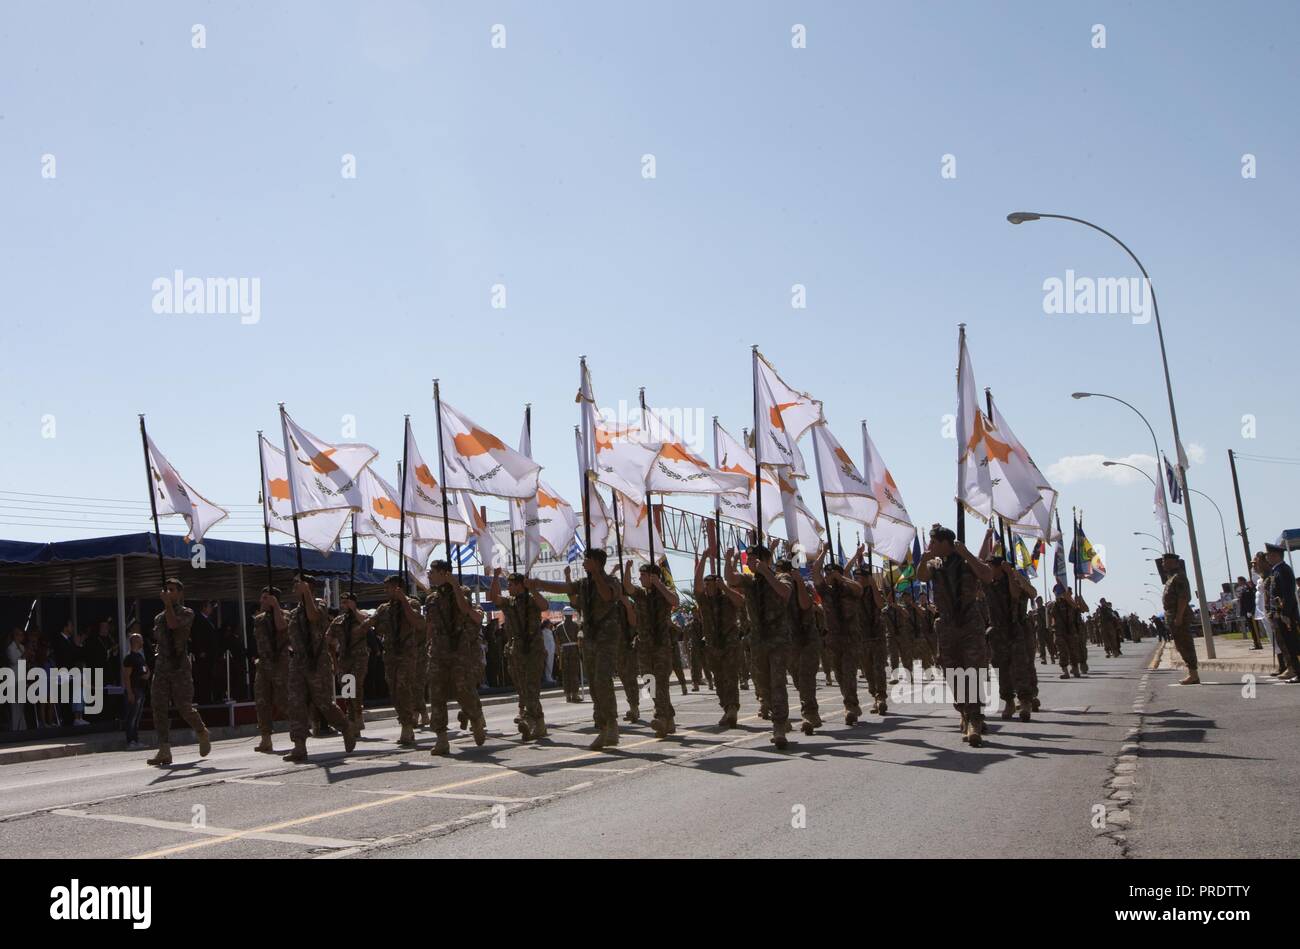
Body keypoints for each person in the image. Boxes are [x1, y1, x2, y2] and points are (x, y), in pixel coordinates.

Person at [533, 549, 623, 750]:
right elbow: (564, 588)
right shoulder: (583, 584)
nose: (583, 564)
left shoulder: (611, 581)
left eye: (587, 561)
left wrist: (597, 573)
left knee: (602, 680)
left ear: (597, 563)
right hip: (589, 639)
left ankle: (611, 725)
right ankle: (605, 726)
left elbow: (607, 595)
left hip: (607, 638)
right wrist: (539, 584)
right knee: (593, 682)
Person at [916, 524, 994, 748]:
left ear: (944, 542)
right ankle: (964, 711)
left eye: (934, 542)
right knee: (953, 673)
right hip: (947, 626)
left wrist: (966, 553)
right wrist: (924, 558)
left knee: (973, 670)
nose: (931, 546)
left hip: (970, 624)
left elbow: (987, 576)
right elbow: (921, 575)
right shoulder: (936, 563)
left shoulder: (967, 561)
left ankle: (974, 720)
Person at [725, 542, 793, 750]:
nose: (751, 563)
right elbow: (731, 579)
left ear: (765, 560)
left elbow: (784, 593)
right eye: (749, 559)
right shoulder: (750, 581)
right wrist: (730, 560)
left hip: (777, 639)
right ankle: (778, 717)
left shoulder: (782, 577)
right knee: (763, 686)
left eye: (754, 559)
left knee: (777, 682)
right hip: (757, 641)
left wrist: (767, 572)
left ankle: (779, 726)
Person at [283, 575, 357, 762]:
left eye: (298, 584)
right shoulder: (293, 613)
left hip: (317, 662)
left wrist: (307, 593)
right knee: (296, 704)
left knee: (323, 703)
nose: (295, 587)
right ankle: (299, 746)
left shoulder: (320, 604)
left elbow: (313, 616)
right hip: (298, 663)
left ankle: (345, 726)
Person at [146, 578, 212, 766]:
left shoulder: (187, 613)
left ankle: (201, 731)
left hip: (179, 667)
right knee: (158, 706)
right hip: (162, 667)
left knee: (184, 707)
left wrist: (168, 605)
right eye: (166, 589)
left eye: (172, 589)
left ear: (180, 593)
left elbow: (174, 625)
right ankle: (164, 749)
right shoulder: (158, 618)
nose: (169, 592)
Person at [425, 560, 488, 755]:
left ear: (444, 573)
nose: (429, 575)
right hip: (437, 652)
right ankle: (441, 738)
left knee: (464, 690)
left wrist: (454, 586)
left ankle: (476, 718)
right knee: (436, 694)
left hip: (459, 652)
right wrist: (426, 646)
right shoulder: (432, 600)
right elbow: (430, 626)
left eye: (433, 572)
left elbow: (465, 609)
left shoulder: (462, 593)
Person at [488, 568, 549, 741]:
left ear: (521, 585)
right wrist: (494, 577)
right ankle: (540, 723)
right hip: (516, 649)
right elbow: (493, 598)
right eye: (508, 584)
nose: (509, 587)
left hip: (533, 648)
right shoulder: (509, 602)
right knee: (523, 688)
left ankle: (528, 721)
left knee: (531, 686)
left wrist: (533, 589)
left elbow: (545, 606)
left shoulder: (531, 600)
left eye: (513, 584)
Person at [626, 561, 681, 739]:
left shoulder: (663, 593)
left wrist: (658, 584)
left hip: (661, 646)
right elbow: (627, 587)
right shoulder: (641, 595)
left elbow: (675, 601)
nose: (640, 578)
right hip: (644, 646)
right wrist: (626, 569)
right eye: (640, 575)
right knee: (650, 683)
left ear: (653, 576)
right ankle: (669, 717)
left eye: (643, 575)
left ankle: (662, 719)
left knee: (661, 683)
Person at [694, 535, 744, 727]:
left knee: (731, 676)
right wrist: (705, 557)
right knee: (719, 679)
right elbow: (697, 584)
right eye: (706, 585)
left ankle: (732, 709)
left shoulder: (726, 598)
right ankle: (726, 708)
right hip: (713, 645)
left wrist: (724, 586)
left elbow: (740, 602)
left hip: (730, 643)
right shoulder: (704, 601)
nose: (707, 587)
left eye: (711, 584)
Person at [811, 546, 863, 725]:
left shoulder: (849, 590)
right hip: (833, 639)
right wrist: (824, 552)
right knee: (840, 674)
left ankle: (850, 706)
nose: (828, 577)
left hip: (850, 637)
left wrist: (840, 577)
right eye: (828, 575)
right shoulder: (825, 592)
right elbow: (815, 572)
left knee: (848, 672)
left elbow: (859, 589)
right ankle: (852, 702)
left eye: (830, 574)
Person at [374, 575, 424, 747]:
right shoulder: (384, 608)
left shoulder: (412, 604)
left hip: (406, 654)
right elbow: (371, 622)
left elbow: (417, 623)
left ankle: (407, 726)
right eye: (386, 587)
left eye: (389, 587)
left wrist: (403, 600)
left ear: (399, 587)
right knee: (394, 692)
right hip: (391, 656)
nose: (386, 591)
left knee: (404, 688)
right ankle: (405, 721)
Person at [778, 557, 821, 736]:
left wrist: (799, 582)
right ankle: (809, 709)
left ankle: (810, 714)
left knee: (806, 678)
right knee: (798, 679)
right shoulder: (778, 588)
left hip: (807, 638)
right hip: (790, 640)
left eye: (782, 571)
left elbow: (805, 604)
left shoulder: (802, 587)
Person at [252, 586, 292, 753]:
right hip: (263, 665)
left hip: (280, 665)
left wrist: (276, 607)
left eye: (265, 598)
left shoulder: (286, 615)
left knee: (283, 700)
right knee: (262, 702)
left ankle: (299, 730)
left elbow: (282, 628)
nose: (262, 601)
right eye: (262, 598)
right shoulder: (259, 619)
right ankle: (266, 739)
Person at [331, 592, 372, 735]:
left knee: (356, 685)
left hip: (359, 658)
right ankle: (353, 720)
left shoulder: (361, 616)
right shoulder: (338, 621)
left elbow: (367, 624)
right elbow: (329, 639)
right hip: (344, 659)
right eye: (342, 603)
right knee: (347, 690)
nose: (344, 605)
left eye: (347, 602)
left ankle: (357, 715)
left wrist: (354, 610)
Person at [1161, 553, 1199, 686]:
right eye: (1163, 562)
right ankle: (1192, 674)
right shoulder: (1171, 578)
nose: (1163, 564)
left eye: (1166, 562)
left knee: (1185, 644)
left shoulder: (1179, 577)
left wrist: (1179, 617)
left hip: (1179, 615)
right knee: (1180, 645)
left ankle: (1193, 674)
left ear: (1175, 563)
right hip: (1173, 615)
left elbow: (1183, 598)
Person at [1265, 544, 1300, 682]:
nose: (1267, 557)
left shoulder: (1283, 570)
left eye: (1269, 555)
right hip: (1279, 613)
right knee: (1288, 643)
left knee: (1293, 644)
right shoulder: (1276, 571)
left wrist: (1285, 613)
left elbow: (1288, 594)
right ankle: (1295, 670)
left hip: (1286, 615)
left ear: (1276, 555)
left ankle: (1298, 671)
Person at [121, 632, 149, 748]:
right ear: (136, 642)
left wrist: (147, 674)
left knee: (137, 717)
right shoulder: (129, 658)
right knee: (131, 717)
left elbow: (146, 670)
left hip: (141, 690)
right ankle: (130, 741)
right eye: (141, 640)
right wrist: (130, 692)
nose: (143, 642)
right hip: (134, 689)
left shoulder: (140, 657)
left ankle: (136, 740)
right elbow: (126, 676)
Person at [555, 608, 583, 702]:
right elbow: (579, 640)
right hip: (574, 650)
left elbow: (557, 643)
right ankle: (575, 695)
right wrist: (580, 651)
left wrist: (559, 654)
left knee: (565, 673)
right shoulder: (576, 626)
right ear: (571, 615)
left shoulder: (558, 627)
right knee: (574, 673)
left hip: (564, 651)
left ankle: (567, 695)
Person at [6, 626, 28, 731]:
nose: (22, 637)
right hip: (14, 679)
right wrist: (23, 655)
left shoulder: (23, 647)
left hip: (22, 678)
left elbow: (24, 662)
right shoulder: (10, 647)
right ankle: (15, 729)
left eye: (22, 635)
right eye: (20, 635)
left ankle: (22, 728)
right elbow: (14, 660)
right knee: (15, 706)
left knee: (21, 705)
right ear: (15, 636)